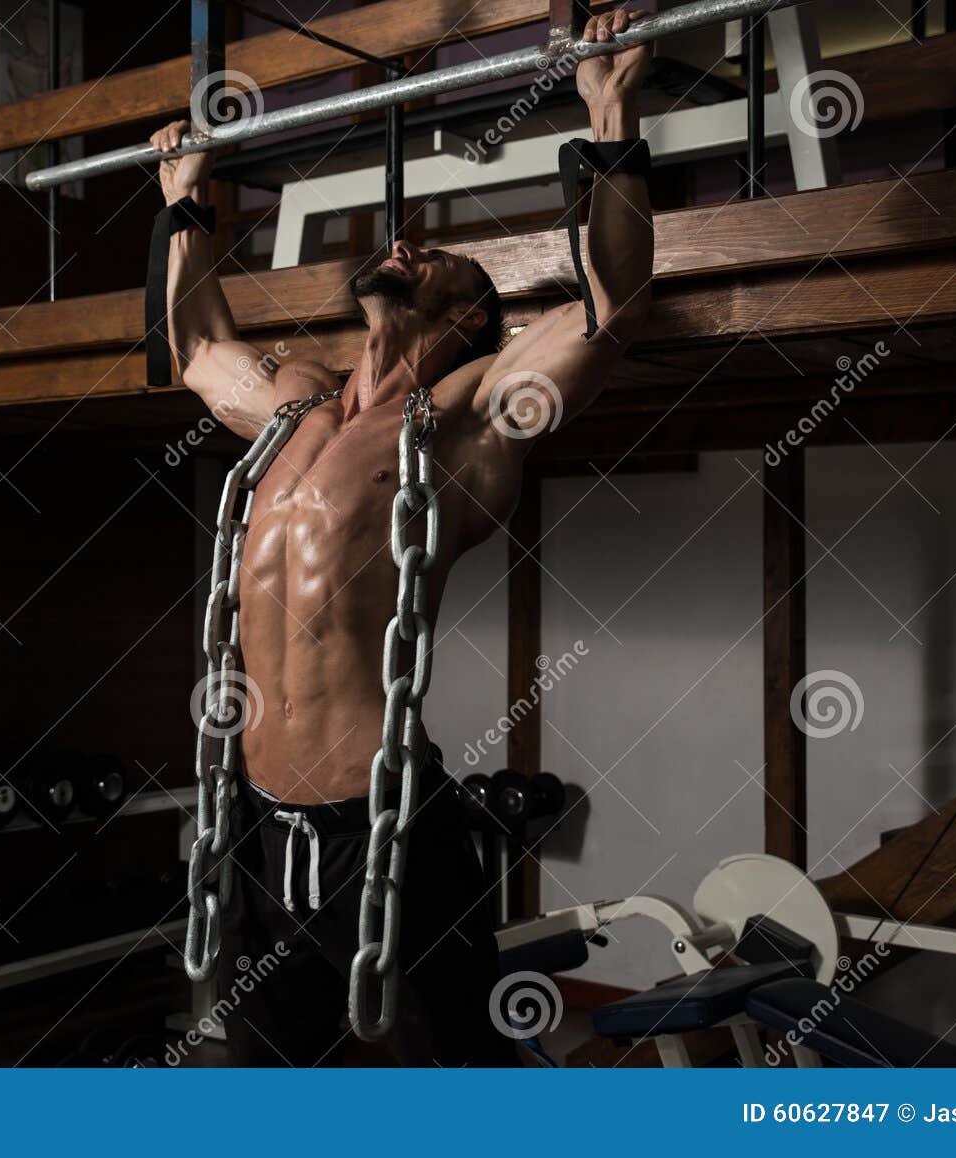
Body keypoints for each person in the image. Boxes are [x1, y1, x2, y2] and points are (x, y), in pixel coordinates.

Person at [152, 9, 655, 1065]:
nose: (408, 246)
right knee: (271, 1061)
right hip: (255, 820)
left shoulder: (468, 420)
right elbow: (195, 346)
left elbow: (610, 308)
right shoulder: (293, 400)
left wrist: (610, 117)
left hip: (383, 823)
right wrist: (185, 199)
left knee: (450, 1064)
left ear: (468, 322)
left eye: (439, 261)